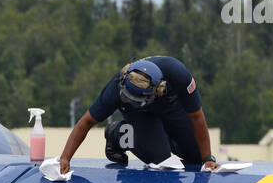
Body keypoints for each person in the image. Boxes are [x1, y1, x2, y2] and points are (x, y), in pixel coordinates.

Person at [58, 56, 219, 173]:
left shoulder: (178, 75)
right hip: (139, 115)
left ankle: (158, 136)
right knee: (162, 162)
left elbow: (196, 117)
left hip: (170, 106)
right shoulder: (115, 90)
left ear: (159, 90)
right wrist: (65, 158)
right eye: (127, 97)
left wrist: (208, 159)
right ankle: (117, 134)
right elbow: (86, 121)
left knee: (197, 157)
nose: (129, 100)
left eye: (136, 99)